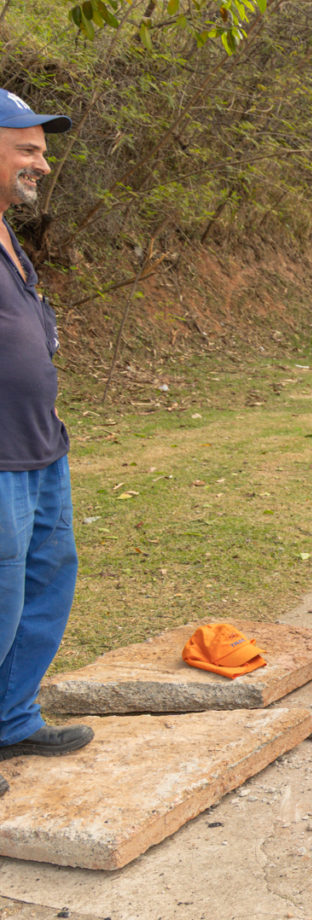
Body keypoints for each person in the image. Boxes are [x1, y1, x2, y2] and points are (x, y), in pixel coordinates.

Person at [0, 89, 93, 792]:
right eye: (28, 149)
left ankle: (11, 720)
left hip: (40, 451)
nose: (43, 162)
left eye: (42, 148)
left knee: (43, 587)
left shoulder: (9, 234)